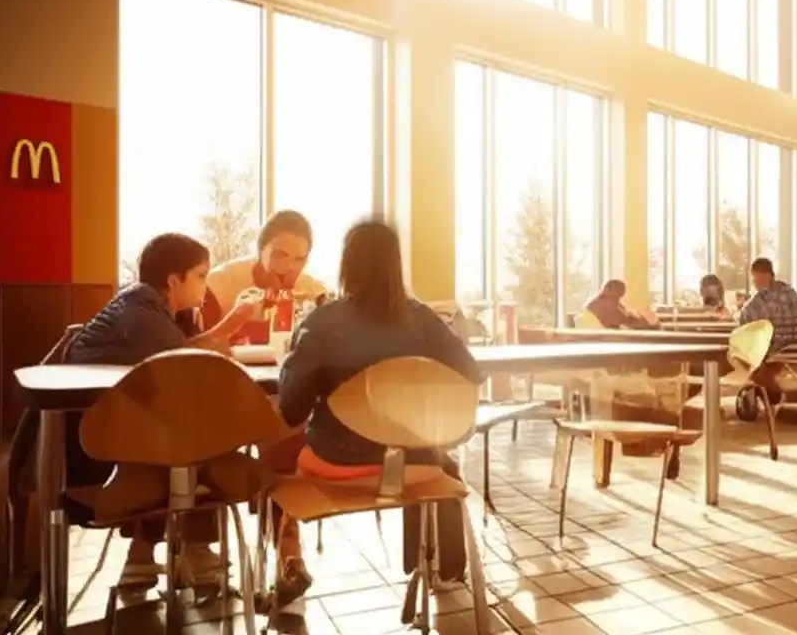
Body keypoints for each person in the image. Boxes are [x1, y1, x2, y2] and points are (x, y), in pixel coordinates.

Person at [274, 219, 484, 606]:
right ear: (395, 264)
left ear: (347, 265)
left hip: (338, 464)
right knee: (443, 461)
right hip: (416, 464)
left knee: (275, 460)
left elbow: (291, 409)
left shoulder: (322, 323)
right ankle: (446, 570)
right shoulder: (422, 319)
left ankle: (290, 562)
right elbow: (470, 372)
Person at [65, 233, 259, 589]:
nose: (206, 283)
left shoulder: (156, 312)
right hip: (94, 455)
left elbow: (182, 359)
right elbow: (182, 362)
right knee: (202, 438)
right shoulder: (139, 311)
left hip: (120, 438)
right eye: (201, 275)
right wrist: (231, 324)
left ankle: (151, 554)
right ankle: (195, 548)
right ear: (174, 280)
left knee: (191, 430)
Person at [201, 210, 326, 344]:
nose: (290, 267)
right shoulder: (218, 286)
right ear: (260, 250)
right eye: (280, 255)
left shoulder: (315, 295)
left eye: (299, 259)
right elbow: (188, 353)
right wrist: (230, 325)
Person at [739, 257, 797, 353]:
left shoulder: (762, 298)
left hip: (774, 347)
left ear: (764, 276)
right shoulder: (789, 291)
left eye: (754, 277)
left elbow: (744, 319)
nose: (754, 282)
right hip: (796, 343)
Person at [585, 280, 658, 329]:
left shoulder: (608, 302)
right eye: (615, 298)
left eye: (618, 298)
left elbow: (625, 316)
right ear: (607, 291)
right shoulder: (600, 306)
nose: (617, 301)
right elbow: (626, 321)